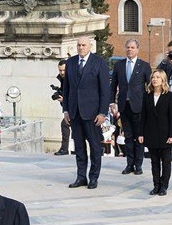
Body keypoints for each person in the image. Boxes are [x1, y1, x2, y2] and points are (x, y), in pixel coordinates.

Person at [62, 36, 110, 189]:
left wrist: (103, 112)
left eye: (83, 45)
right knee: (79, 147)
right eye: (78, 45)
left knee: (95, 147)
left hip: (92, 114)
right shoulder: (70, 62)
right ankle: (81, 176)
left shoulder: (99, 62)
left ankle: (94, 177)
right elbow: (67, 88)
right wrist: (66, 110)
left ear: (90, 46)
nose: (81, 47)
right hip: (75, 113)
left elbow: (105, 90)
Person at [110, 39, 148, 175]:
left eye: (132, 47)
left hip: (139, 107)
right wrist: (111, 102)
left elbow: (148, 87)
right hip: (123, 106)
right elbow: (113, 85)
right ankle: (129, 164)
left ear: (137, 49)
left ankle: (138, 165)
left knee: (139, 137)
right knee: (128, 137)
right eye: (127, 47)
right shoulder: (119, 65)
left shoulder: (144, 66)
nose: (130, 50)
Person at [139, 69, 172, 196]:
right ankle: (156, 185)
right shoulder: (146, 96)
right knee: (154, 161)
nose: (154, 79)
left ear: (163, 80)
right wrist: (141, 134)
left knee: (166, 161)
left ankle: (164, 186)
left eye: (157, 77)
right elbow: (142, 116)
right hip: (151, 133)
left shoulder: (170, 97)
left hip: (166, 134)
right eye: (153, 77)